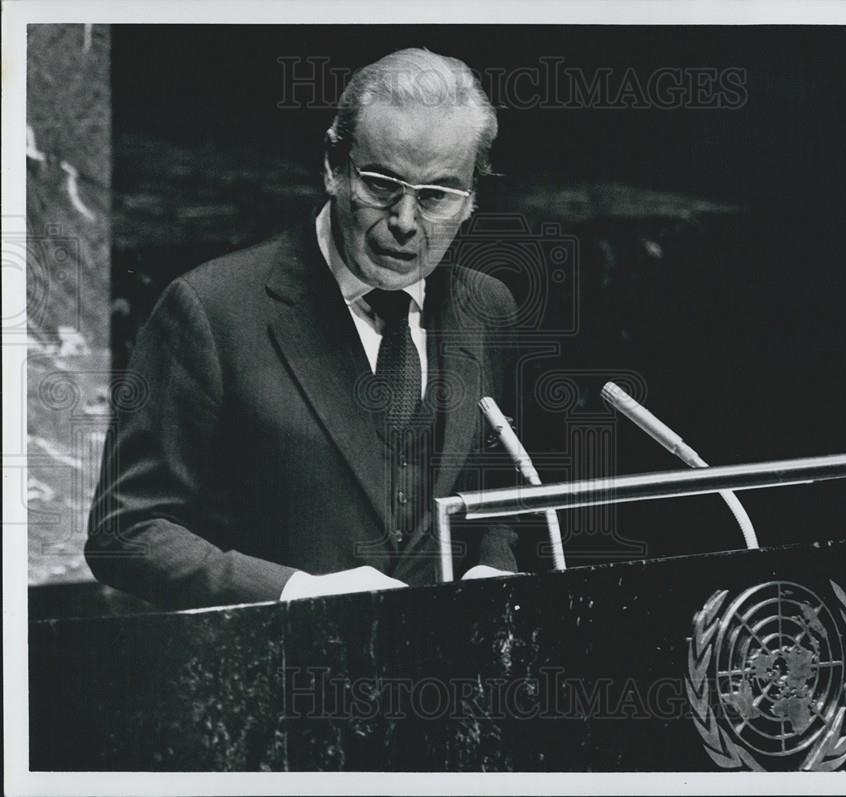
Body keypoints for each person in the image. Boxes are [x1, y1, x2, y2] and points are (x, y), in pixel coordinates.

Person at [85, 48, 520, 609]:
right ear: (334, 168)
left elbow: (501, 497)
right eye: (381, 185)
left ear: (470, 201)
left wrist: (495, 568)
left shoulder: (486, 307)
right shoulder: (210, 309)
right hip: (280, 660)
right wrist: (299, 594)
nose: (405, 223)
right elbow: (125, 532)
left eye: (436, 196)